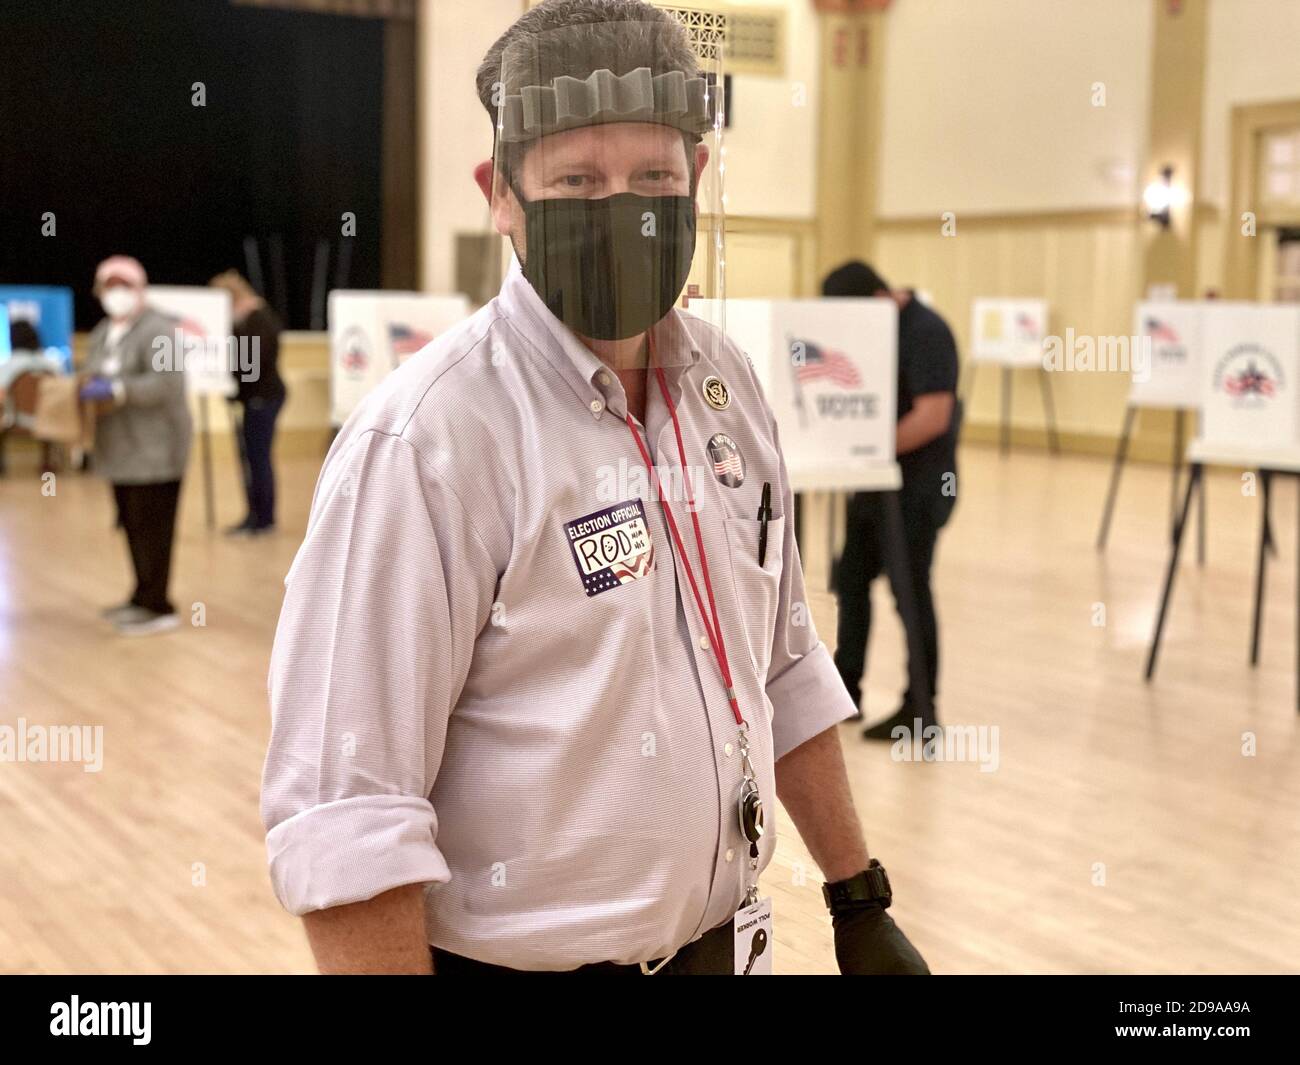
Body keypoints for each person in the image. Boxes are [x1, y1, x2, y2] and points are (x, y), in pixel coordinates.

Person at [261, 0, 928, 975]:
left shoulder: (729, 390)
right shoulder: (429, 441)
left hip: (728, 951)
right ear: (501, 194)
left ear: (695, 180)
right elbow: (349, 812)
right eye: (577, 180)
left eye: (653, 176)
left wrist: (855, 893)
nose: (623, 206)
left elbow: (780, 665)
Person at [822, 261, 960, 740]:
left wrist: (864, 448)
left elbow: (933, 416)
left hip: (920, 487)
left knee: (910, 592)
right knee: (851, 580)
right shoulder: (875, 330)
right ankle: (845, 692)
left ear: (880, 298)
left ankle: (921, 709)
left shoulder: (926, 332)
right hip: (876, 484)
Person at [81, 255, 192, 636]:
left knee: (154, 528)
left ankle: (159, 605)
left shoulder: (160, 329)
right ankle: (140, 596)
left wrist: (119, 389)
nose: (116, 295)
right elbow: (90, 370)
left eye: (123, 286)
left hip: (156, 451)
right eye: (109, 287)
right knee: (130, 524)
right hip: (119, 449)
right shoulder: (102, 331)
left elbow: (168, 384)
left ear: (139, 289)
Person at [209, 270, 286, 535]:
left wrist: (230, 379)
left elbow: (254, 361)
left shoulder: (257, 318)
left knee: (257, 458)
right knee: (252, 458)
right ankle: (255, 514)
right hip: (255, 397)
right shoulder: (249, 318)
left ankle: (262, 518)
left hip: (263, 397)